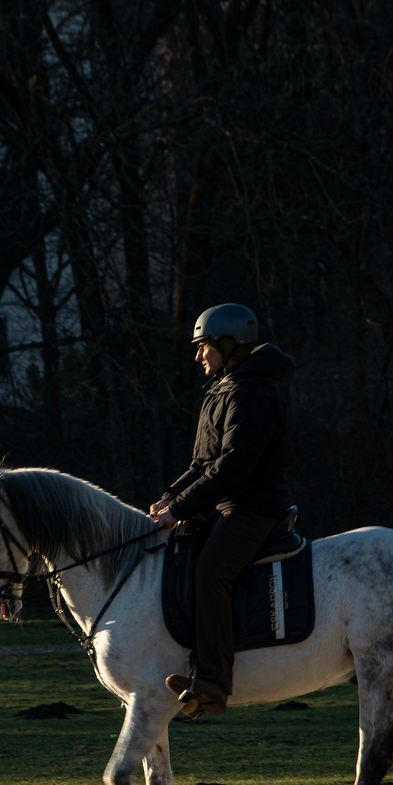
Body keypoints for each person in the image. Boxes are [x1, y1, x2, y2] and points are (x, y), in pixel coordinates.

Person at [148, 303, 295, 717]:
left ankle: (212, 683)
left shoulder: (252, 394)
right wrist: (168, 498)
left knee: (211, 572)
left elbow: (232, 469)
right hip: (229, 506)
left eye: (204, 347)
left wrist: (178, 510)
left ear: (229, 345)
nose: (198, 357)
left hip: (253, 509)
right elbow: (202, 465)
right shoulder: (225, 389)